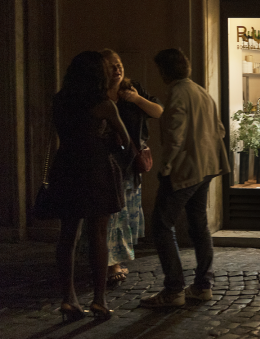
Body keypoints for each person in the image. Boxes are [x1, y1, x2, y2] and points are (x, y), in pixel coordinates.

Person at [141, 48, 231, 308]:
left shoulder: (177, 94)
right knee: (198, 224)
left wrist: (166, 165)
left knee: (161, 225)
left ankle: (174, 288)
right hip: (207, 167)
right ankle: (203, 285)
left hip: (186, 170)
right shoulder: (201, 91)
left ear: (164, 71)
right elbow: (220, 129)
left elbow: (175, 136)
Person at [49, 51, 131, 321]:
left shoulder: (60, 100)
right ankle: (99, 300)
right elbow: (125, 141)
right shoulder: (103, 104)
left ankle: (68, 298)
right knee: (98, 235)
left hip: (67, 166)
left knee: (68, 235)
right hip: (96, 169)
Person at [100, 49, 163, 285]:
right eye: (111, 66)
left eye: (119, 64)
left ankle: (112, 258)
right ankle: (110, 263)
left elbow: (158, 111)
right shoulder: (96, 95)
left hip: (131, 164)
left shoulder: (132, 89)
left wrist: (136, 99)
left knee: (124, 214)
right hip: (107, 163)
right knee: (113, 213)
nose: (117, 69)